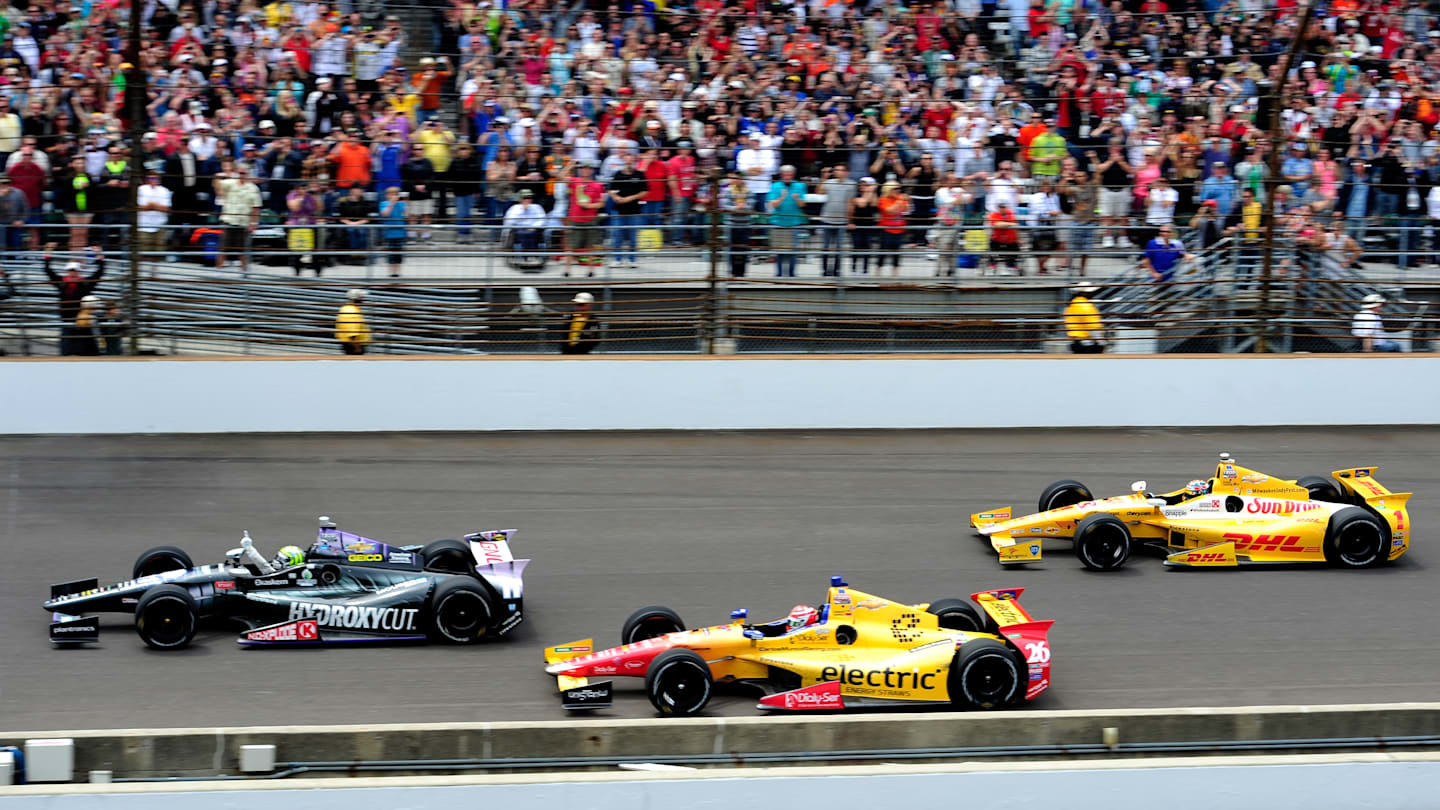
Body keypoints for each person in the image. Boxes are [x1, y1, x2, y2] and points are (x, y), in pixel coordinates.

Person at [41, 244, 104, 356]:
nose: (73, 272)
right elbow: (47, 270)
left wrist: (99, 254)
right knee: (67, 349)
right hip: (67, 321)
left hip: (83, 321)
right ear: (68, 271)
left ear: (79, 272)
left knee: (86, 350)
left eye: (75, 270)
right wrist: (48, 252)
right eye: (71, 270)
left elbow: (100, 272)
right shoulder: (62, 282)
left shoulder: (85, 283)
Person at [213, 166, 261, 271]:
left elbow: (256, 208)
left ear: (248, 174)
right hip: (228, 220)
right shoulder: (230, 183)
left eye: (244, 173)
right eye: (240, 173)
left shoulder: (253, 189)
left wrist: (254, 223)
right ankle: (217, 273)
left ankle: (245, 274)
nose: (241, 175)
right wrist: (216, 178)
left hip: (244, 223)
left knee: (243, 251)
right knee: (223, 249)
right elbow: (218, 190)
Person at [565, 162, 606, 277]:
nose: (585, 171)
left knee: (590, 246)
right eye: (583, 168)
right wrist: (570, 165)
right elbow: (560, 177)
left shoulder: (598, 185)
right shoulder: (574, 181)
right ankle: (567, 270)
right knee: (571, 245)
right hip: (575, 218)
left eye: (588, 168)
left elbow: (602, 203)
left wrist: (589, 206)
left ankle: (590, 270)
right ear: (580, 170)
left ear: (592, 171)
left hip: (590, 219)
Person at [766, 165, 807, 278]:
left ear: (793, 175)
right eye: (785, 175)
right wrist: (781, 198)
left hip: (794, 222)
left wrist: (797, 198)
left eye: (789, 175)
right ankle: (779, 274)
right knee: (779, 251)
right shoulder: (775, 186)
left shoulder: (800, 186)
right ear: (782, 175)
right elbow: (772, 205)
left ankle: (792, 274)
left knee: (793, 250)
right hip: (778, 222)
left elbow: (803, 205)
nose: (787, 177)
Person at [818, 165, 856, 277]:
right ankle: (825, 271)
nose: (838, 172)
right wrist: (823, 178)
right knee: (825, 246)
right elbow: (819, 192)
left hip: (842, 221)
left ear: (846, 172)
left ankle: (836, 271)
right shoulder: (829, 182)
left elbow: (851, 203)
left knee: (839, 248)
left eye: (841, 170)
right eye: (836, 170)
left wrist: (850, 220)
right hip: (827, 219)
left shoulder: (851, 184)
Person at [877, 181, 910, 276]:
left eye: (899, 189)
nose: (898, 191)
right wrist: (899, 201)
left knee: (897, 254)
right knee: (882, 253)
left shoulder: (900, 199)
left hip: (899, 230)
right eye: (895, 189)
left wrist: (906, 202)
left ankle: (895, 276)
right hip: (886, 230)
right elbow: (889, 211)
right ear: (888, 189)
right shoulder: (883, 200)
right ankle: (878, 275)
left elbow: (907, 210)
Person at [136, 173, 172, 261]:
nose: (153, 180)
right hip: (143, 225)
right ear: (146, 179)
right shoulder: (141, 189)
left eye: (155, 178)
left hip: (160, 224)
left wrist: (152, 205)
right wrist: (157, 206)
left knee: (157, 253)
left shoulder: (165, 190)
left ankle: (154, 273)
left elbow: (166, 208)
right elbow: (140, 207)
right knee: (142, 252)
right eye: (151, 178)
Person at [849, 177, 880, 275]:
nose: (862, 187)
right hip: (857, 225)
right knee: (856, 246)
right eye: (861, 185)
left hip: (869, 226)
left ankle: (865, 270)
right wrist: (850, 221)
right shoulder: (856, 196)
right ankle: (854, 269)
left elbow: (874, 203)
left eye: (866, 185)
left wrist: (872, 191)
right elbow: (862, 203)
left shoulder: (874, 196)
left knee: (867, 247)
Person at [1064, 286, 1105, 354]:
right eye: (1090, 292)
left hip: (1076, 340)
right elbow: (1092, 325)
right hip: (1088, 342)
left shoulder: (1073, 304)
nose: (1092, 294)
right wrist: (1100, 341)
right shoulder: (1085, 306)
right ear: (1084, 293)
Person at [379, 186, 408, 277]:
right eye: (392, 195)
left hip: (400, 233)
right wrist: (391, 204)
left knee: (399, 254)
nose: (394, 196)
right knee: (390, 254)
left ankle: (397, 272)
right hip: (389, 233)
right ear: (387, 195)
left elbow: (406, 215)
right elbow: (384, 214)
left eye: (396, 194)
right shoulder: (383, 203)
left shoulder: (401, 204)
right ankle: (391, 272)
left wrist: (406, 204)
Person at [335, 289, 371, 355]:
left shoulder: (348, 308)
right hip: (353, 345)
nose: (364, 299)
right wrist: (357, 348)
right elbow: (352, 333)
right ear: (357, 298)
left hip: (351, 344)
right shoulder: (352, 311)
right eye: (362, 297)